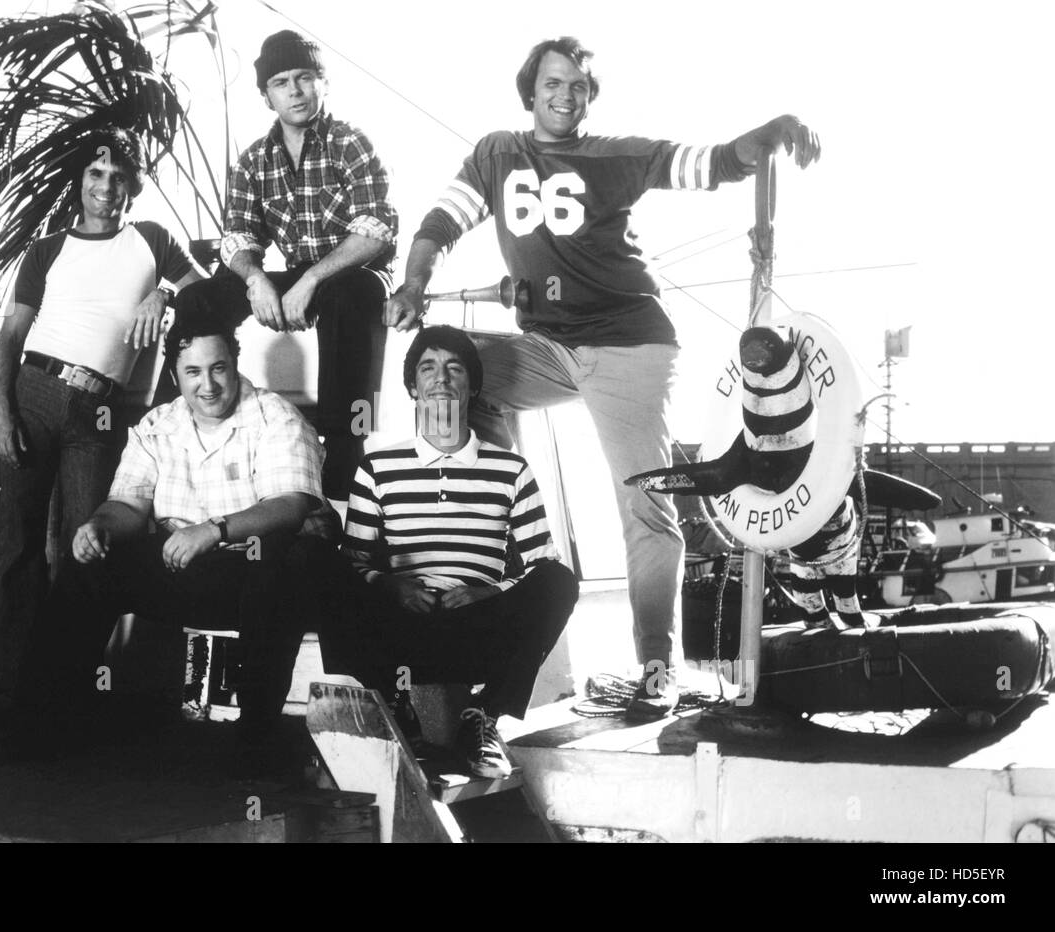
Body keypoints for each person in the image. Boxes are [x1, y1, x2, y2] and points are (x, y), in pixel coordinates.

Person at [382, 37, 820, 718]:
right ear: (530, 92)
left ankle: (655, 661)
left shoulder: (612, 156)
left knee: (645, 498)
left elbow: (702, 163)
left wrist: (761, 140)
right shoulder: (497, 153)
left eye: (580, 86)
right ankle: (496, 517)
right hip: (548, 348)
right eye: (554, 84)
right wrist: (413, 283)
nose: (566, 97)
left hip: (627, 345)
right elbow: (443, 221)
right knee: (456, 363)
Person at [3, 314, 332, 774]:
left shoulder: (275, 415)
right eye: (193, 373)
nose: (209, 385)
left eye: (218, 368)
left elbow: (290, 505)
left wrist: (213, 530)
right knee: (88, 564)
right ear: (176, 376)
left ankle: (254, 740)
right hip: (185, 567)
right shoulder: (157, 423)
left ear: (235, 364)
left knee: (285, 563)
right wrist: (98, 525)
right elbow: (130, 504)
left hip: (257, 569)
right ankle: (48, 721)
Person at [0, 126, 205, 699]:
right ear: (80, 183)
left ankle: (60, 698)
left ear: (131, 186)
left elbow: (208, 294)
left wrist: (165, 293)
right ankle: (3, 696)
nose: (106, 186)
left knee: (88, 546)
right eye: (95, 175)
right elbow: (10, 336)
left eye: (118, 177)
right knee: (18, 546)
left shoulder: (152, 241)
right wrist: (1, 412)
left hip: (103, 411)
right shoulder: (48, 249)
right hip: (37, 390)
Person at [334, 326, 578, 778]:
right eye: (428, 367)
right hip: (403, 627)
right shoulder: (377, 467)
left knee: (559, 581)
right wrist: (390, 586)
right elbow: (353, 564)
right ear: (412, 386)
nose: (441, 378)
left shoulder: (511, 469)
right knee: (329, 569)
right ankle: (395, 707)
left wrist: (492, 593)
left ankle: (482, 718)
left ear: (473, 385)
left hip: (477, 628)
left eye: (454, 368)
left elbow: (542, 565)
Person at [174, 29, 397, 499]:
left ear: (323, 83)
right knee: (200, 296)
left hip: (353, 273)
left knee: (351, 295)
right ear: (266, 95)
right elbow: (237, 236)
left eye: (304, 77)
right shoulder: (255, 158)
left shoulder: (350, 142)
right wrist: (256, 278)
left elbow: (374, 231)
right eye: (281, 82)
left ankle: (343, 448)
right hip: (298, 276)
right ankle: (177, 421)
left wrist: (312, 278)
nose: (294, 90)